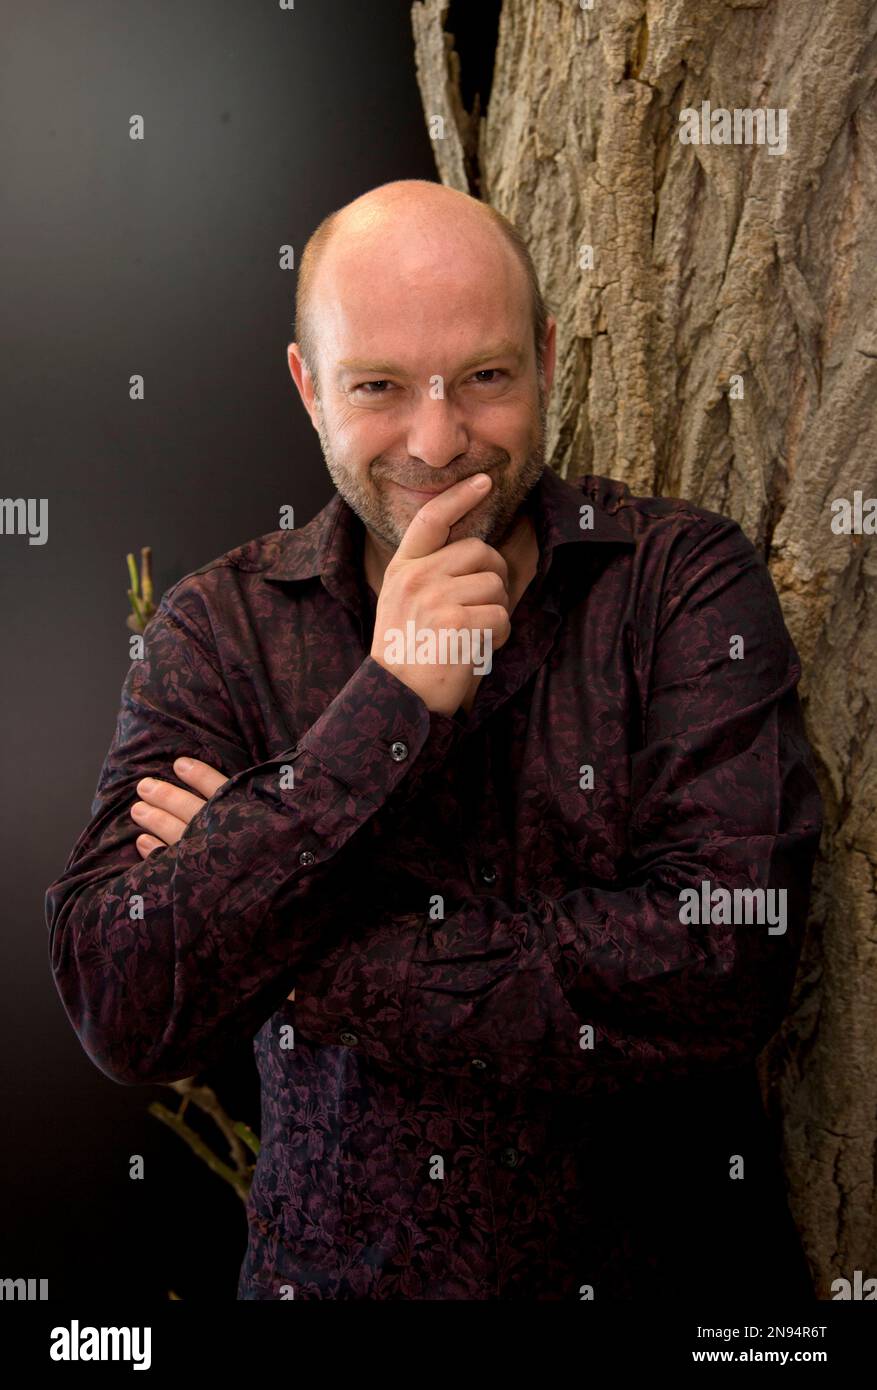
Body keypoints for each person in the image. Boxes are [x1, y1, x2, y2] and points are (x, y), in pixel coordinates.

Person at [46, 179, 823, 1300]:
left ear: (548, 359)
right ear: (309, 387)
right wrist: (389, 702)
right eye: (379, 386)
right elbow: (122, 999)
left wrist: (288, 946)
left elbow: (725, 960)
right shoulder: (221, 630)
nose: (438, 438)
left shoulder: (677, 581)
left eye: (487, 378)